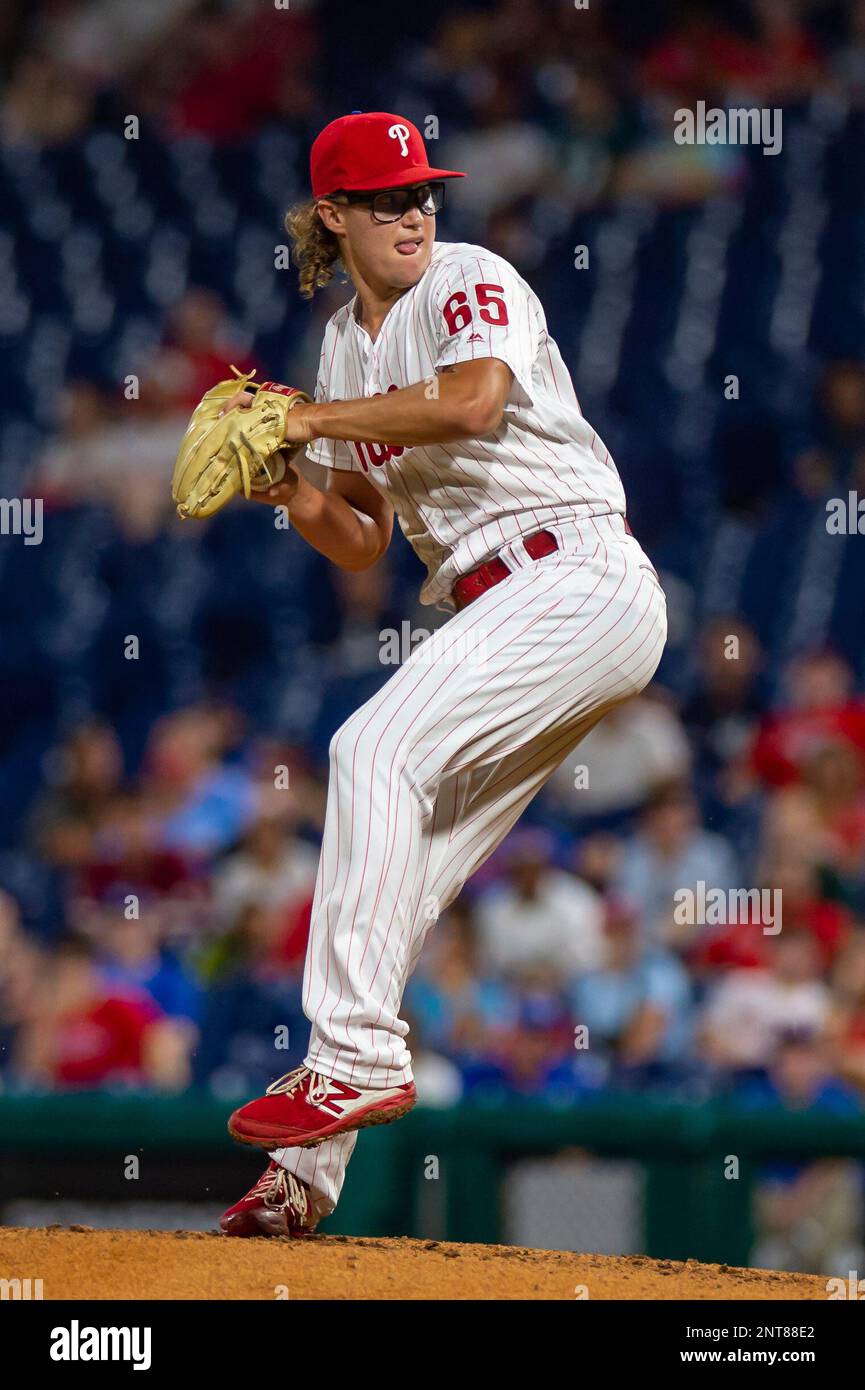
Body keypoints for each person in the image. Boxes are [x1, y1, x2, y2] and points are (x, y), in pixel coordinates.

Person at [214, 111, 667, 1238]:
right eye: (386, 198)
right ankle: (304, 1180)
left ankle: (356, 1059)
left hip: (576, 573)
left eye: (423, 192)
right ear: (334, 215)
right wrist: (288, 487)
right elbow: (363, 538)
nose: (416, 211)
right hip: (492, 602)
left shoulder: (470, 276)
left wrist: (305, 421)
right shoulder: (340, 349)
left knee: (366, 747)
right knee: (397, 877)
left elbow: (471, 401)